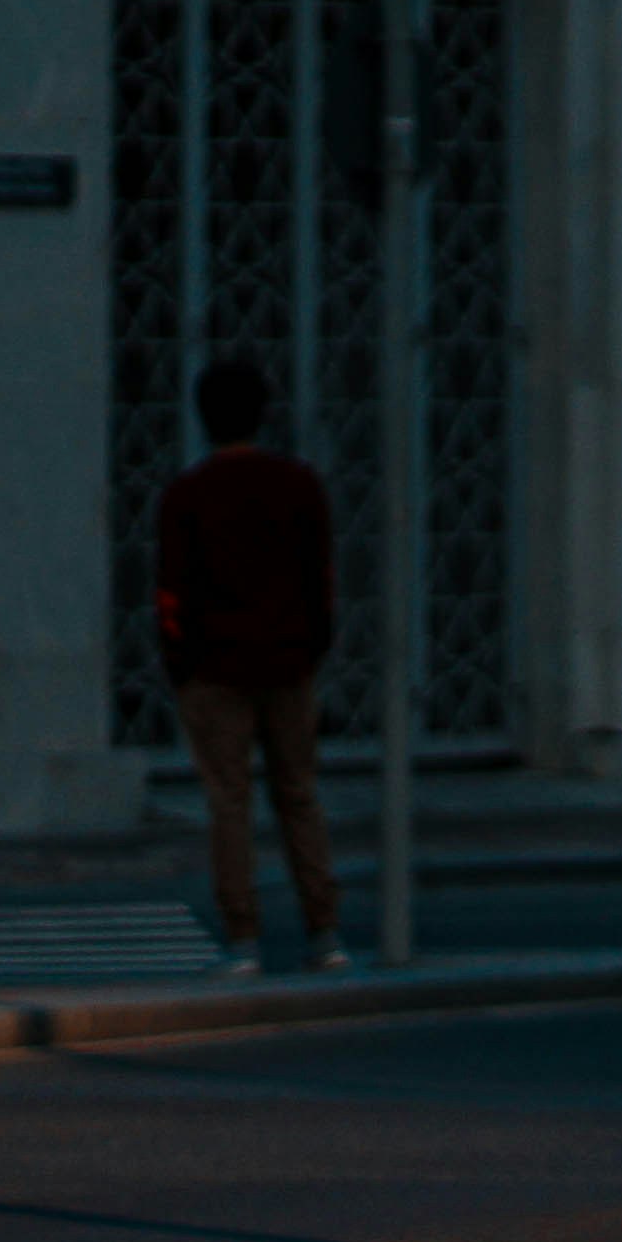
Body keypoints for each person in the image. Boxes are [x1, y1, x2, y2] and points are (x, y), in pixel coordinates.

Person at [155, 357, 346, 974]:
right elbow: (321, 582)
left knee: (229, 802)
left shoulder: (187, 495)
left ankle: (243, 938)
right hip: (288, 663)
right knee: (299, 795)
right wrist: (310, 648)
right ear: (262, 414)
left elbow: (170, 592)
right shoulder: (299, 486)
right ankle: (324, 931)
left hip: (214, 669)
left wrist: (181, 664)